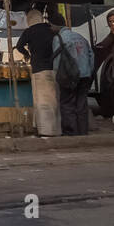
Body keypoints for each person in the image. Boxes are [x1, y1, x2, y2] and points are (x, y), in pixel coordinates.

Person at [16, 7, 61, 137]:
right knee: (54, 99)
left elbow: (19, 46)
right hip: (53, 67)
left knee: (42, 101)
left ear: (29, 19)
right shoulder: (49, 28)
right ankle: (56, 129)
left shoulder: (29, 31)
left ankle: (45, 130)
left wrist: (27, 54)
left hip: (38, 69)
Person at [51, 11, 94, 136]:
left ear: (56, 26)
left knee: (67, 103)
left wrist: (57, 75)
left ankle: (71, 132)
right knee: (81, 103)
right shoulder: (80, 36)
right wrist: (88, 70)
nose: (50, 28)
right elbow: (91, 55)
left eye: (51, 25)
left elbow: (57, 60)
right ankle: (82, 131)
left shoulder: (58, 38)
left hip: (69, 76)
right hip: (85, 75)